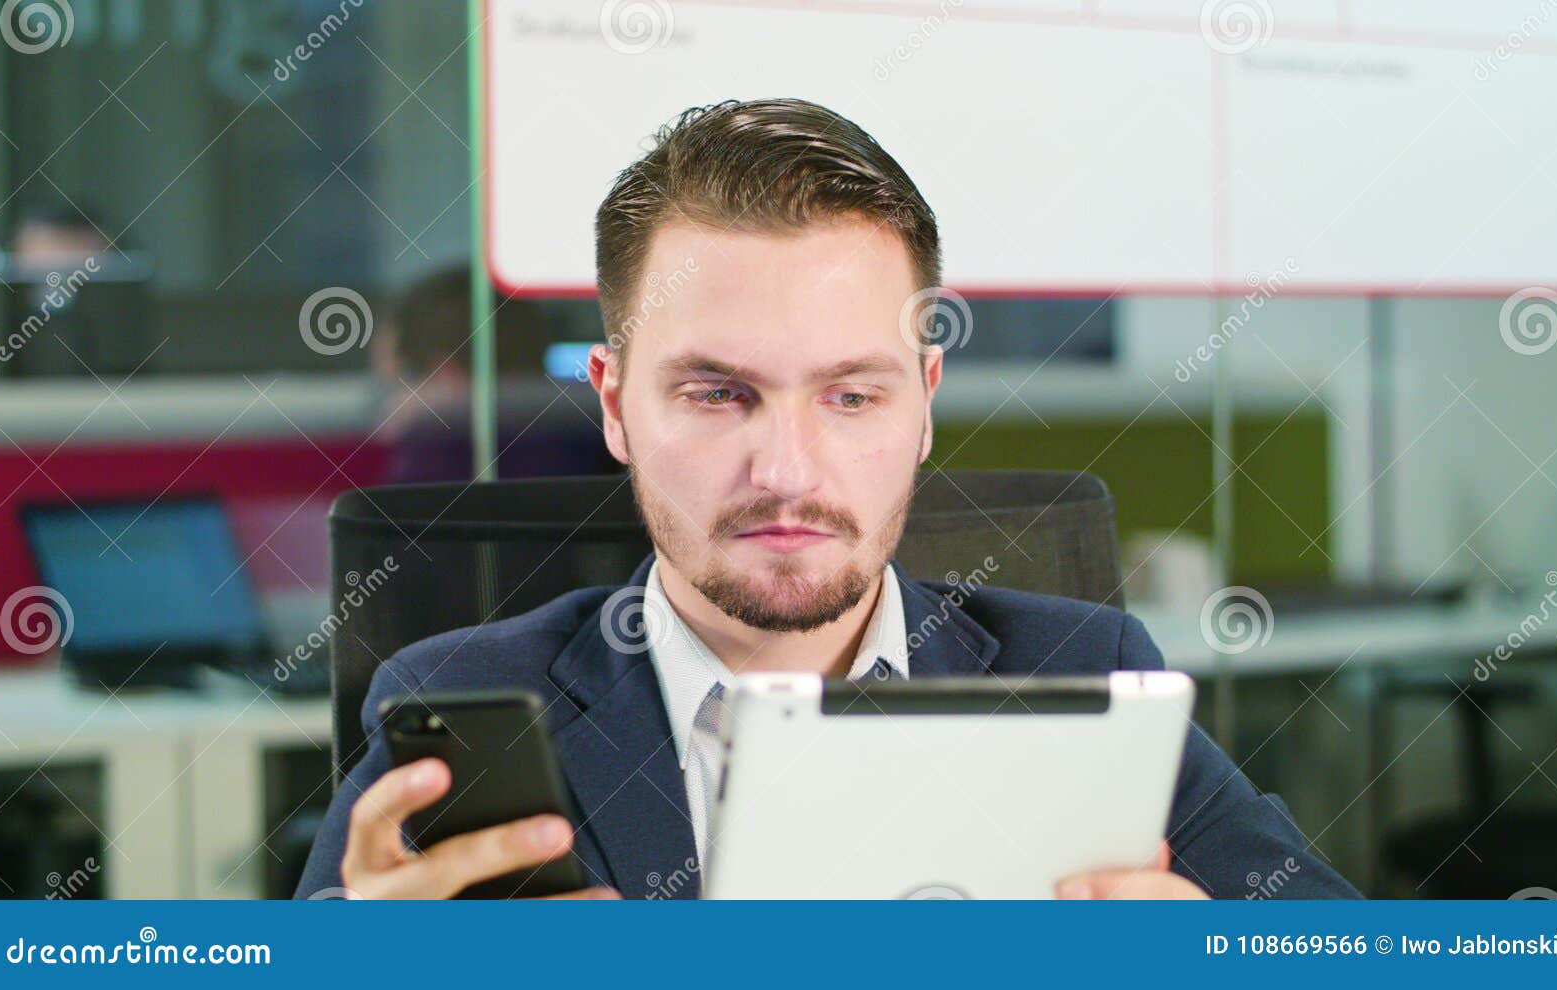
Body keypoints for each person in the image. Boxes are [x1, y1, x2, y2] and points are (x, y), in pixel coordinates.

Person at [297, 98, 1360, 900]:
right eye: (718, 395)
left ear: (924, 402)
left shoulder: (1086, 670)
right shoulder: (459, 699)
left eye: (851, 396)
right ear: (615, 407)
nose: (788, 472)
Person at [370, 265, 618, 483]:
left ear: (447, 374)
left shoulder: (427, 462)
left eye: (392, 387)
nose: (384, 415)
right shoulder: (610, 441)